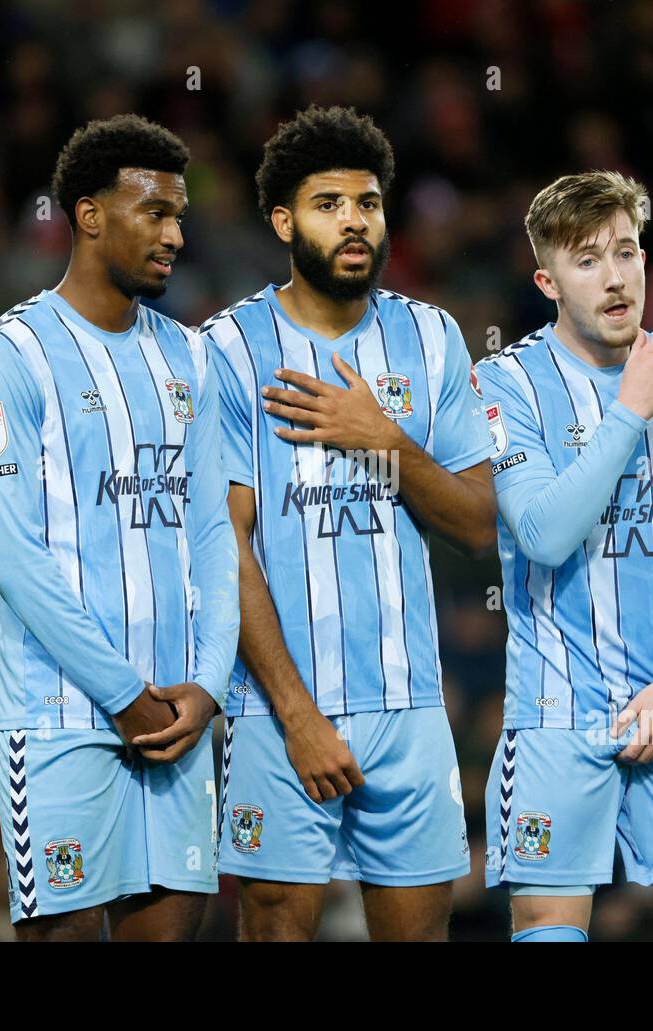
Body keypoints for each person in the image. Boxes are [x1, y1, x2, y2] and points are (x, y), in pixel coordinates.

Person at [201, 106, 498, 941]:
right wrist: (298, 716)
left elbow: (479, 522)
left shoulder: (432, 337)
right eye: (328, 204)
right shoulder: (227, 347)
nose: (355, 221)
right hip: (275, 710)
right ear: (284, 220)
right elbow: (226, 545)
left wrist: (386, 441)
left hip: (410, 710)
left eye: (367, 202)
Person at [0, 114, 238, 941]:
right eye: (155, 212)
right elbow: (9, 552)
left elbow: (216, 536)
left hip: (177, 718)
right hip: (60, 716)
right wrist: (121, 695)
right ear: (87, 215)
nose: (176, 235)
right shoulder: (11, 354)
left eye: (180, 216)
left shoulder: (190, 357)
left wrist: (210, 684)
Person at [476, 170, 653, 942]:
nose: (615, 276)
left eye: (627, 252)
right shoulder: (507, 382)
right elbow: (542, 532)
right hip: (557, 716)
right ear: (547, 280)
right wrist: (630, 410)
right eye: (587, 259)